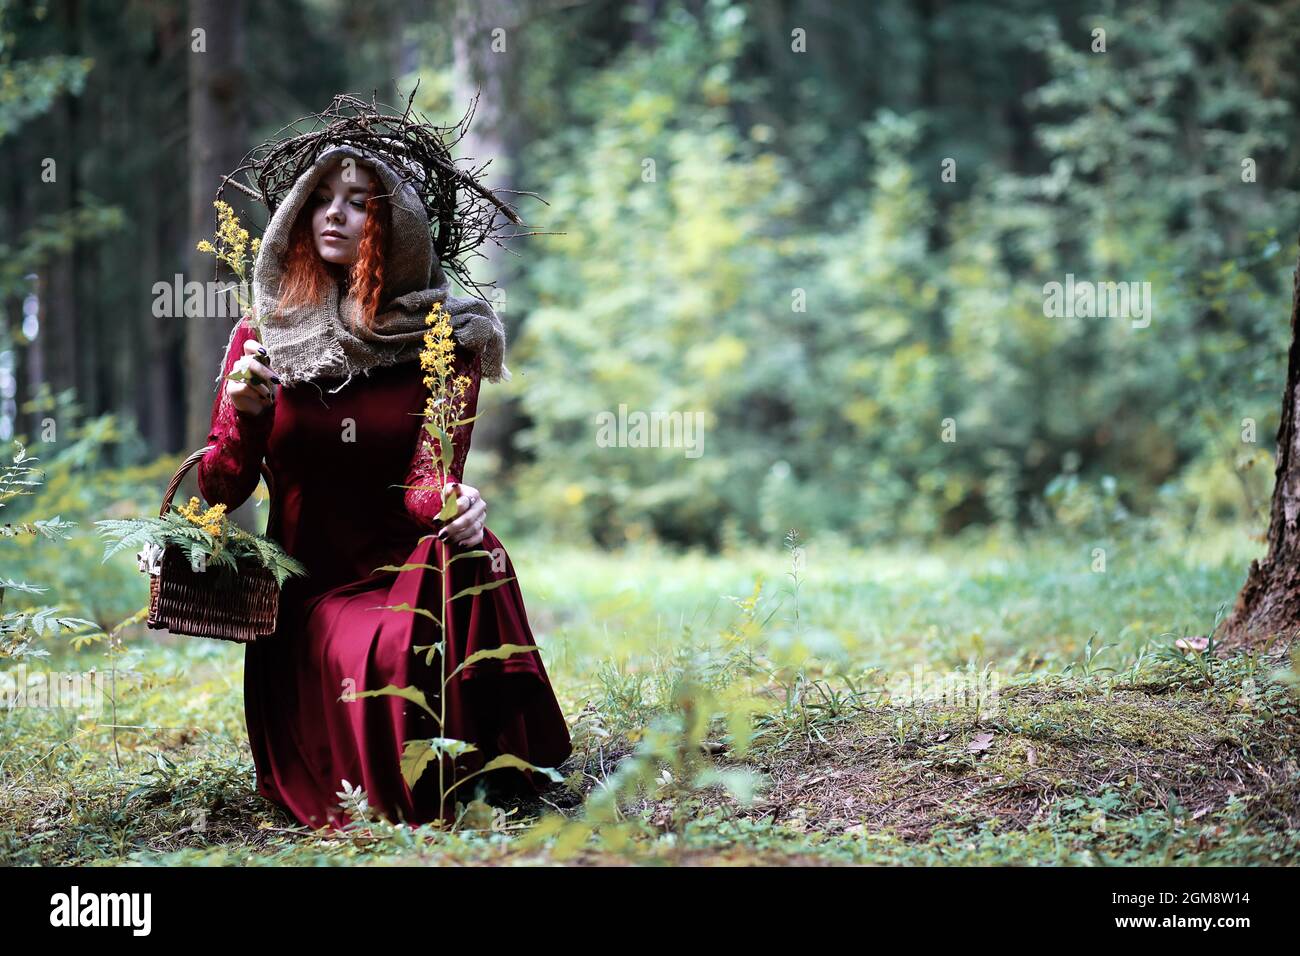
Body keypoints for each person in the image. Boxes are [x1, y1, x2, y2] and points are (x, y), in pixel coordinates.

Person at [197, 143, 572, 830]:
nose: (333, 215)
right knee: (379, 654)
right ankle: (414, 788)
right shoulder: (263, 335)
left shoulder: (446, 339)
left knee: (468, 554)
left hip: (406, 566)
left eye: (359, 204)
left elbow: (428, 482)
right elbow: (221, 490)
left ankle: (488, 763)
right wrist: (246, 420)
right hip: (312, 589)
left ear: (393, 226)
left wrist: (460, 504)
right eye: (321, 200)